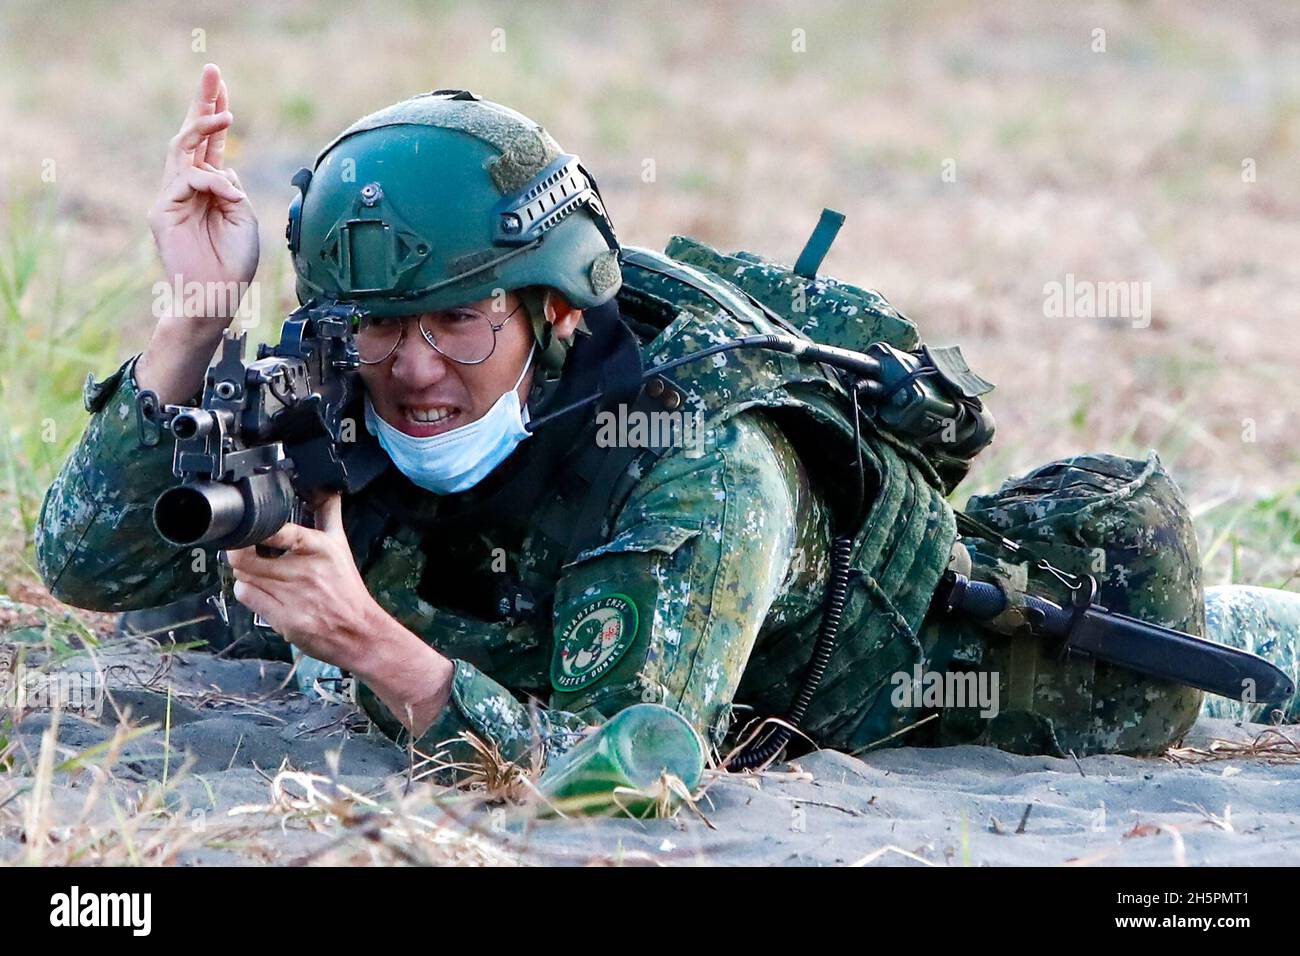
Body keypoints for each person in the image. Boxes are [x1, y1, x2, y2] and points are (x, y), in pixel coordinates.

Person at [35, 64, 1248, 775]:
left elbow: (633, 775)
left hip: (1049, 666)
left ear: (555, 311)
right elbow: (93, 563)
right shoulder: (342, 363)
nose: (411, 372)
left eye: (458, 324)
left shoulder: (696, 462)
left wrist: (370, 643)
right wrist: (195, 320)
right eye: (376, 328)